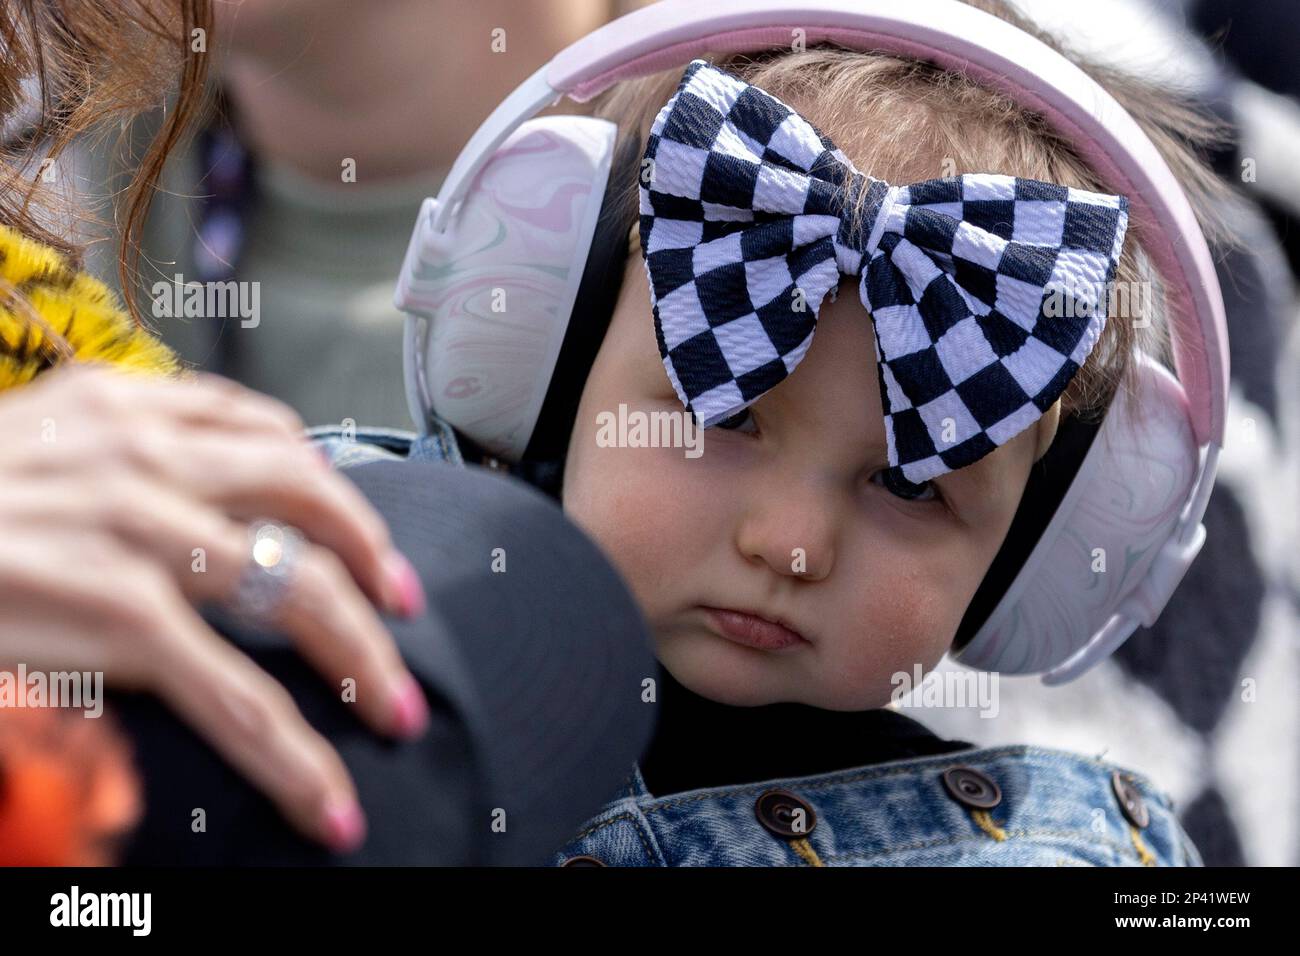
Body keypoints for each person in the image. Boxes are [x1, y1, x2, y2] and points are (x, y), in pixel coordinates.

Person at [314, 0, 1234, 865]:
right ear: (562, 352)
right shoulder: (316, 584)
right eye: (725, 409)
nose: (790, 545)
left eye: (912, 482)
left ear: (1037, 546)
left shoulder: (1059, 847)